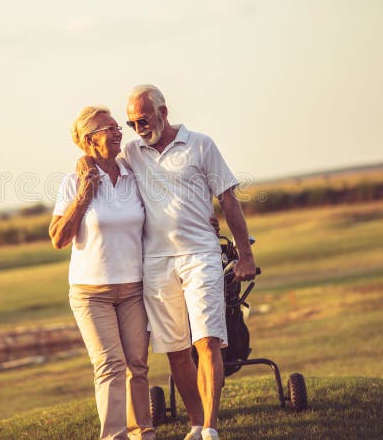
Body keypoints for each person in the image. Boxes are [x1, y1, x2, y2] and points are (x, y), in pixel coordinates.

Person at [121, 84, 257, 440]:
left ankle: (211, 428)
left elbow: (228, 200)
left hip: (200, 256)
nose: (138, 128)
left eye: (143, 119)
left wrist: (245, 255)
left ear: (163, 112)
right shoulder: (132, 151)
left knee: (207, 341)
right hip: (157, 262)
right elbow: (104, 162)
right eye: (131, 123)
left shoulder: (200, 144)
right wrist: (84, 160)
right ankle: (196, 424)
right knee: (176, 350)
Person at [49, 106, 155, 440]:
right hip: (90, 293)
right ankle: (114, 437)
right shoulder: (71, 183)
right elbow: (58, 238)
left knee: (137, 364)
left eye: (115, 126)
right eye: (107, 128)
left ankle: (144, 434)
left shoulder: (132, 173)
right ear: (88, 140)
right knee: (109, 365)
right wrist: (84, 194)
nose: (117, 131)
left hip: (133, 288)